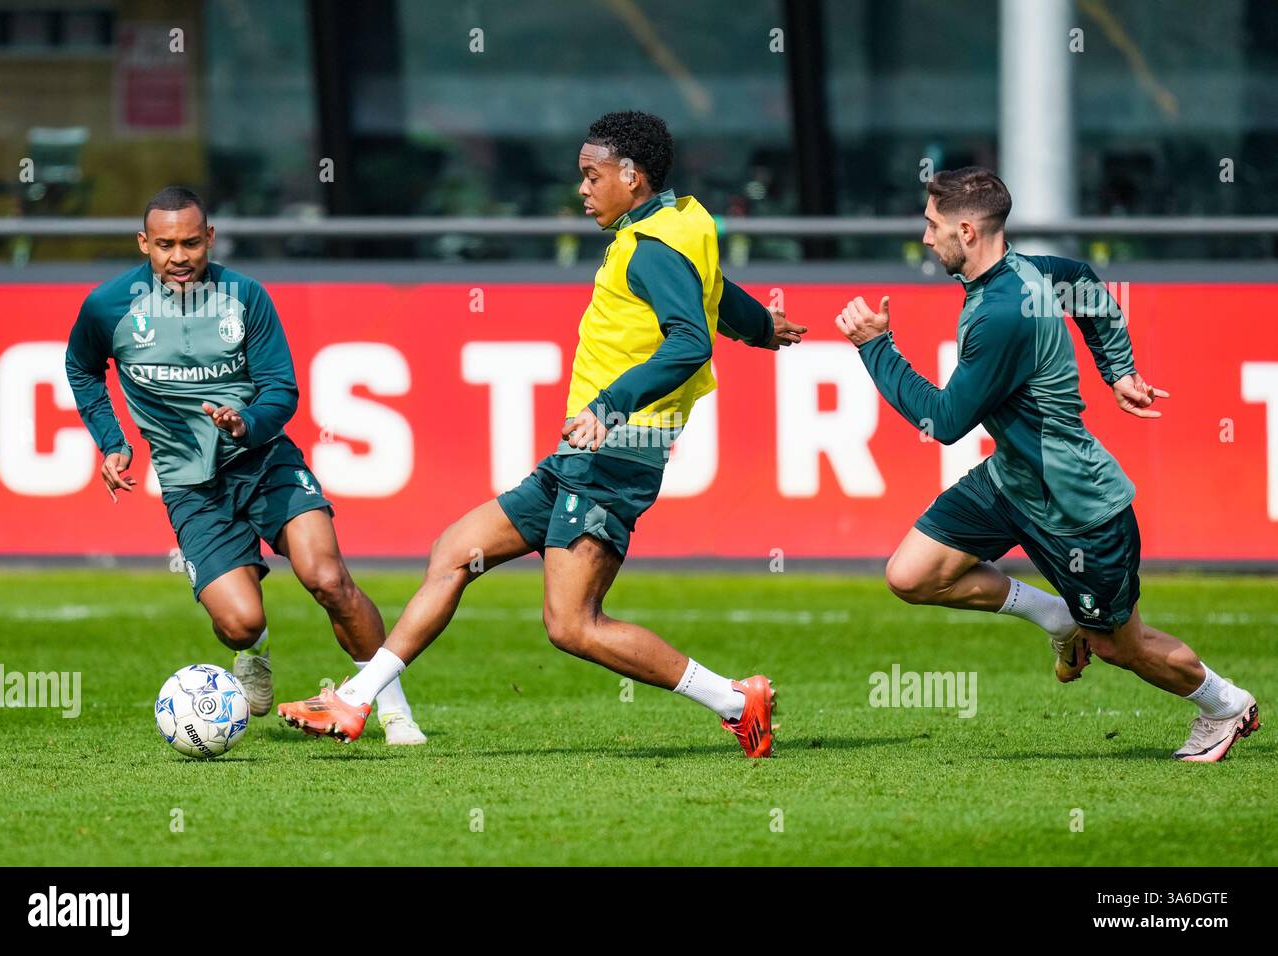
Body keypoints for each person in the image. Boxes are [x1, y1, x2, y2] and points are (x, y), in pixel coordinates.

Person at [278, 111, 807, 757]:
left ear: (632, 176)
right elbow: (711, 291)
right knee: (454, 551)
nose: (582, 190)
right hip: (584, 452)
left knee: (572, 624)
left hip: (617, 449)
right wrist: (759, 327)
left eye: (592, 176)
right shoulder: (682, 219)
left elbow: (690, 341)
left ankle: (733, 699)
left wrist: (609, 405)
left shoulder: (649, 248)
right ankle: (358, 702)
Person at [836, 166, 1258, 762]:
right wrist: (1119, 371)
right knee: (911, 574)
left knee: (1121, 647)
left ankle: (1225, 705)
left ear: (966, 229)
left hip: (1076, 509)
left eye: (932, 226)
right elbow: (1085, 283)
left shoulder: (1000, 314)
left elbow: (946, 420)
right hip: (1013, 482)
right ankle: (1058, 617)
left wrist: (875, 347)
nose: (925, 239)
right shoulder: (1025, 272)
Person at [65, 186, 424, 745]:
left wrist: (247, 423)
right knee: (240, 623)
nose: (178, 257)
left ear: (209, 238)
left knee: (327, 579)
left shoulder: (245, 296)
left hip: (264, 461)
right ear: (144, 243)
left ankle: (391, 708)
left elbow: (283, 387)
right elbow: (82, 369)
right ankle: (253, 653)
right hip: (190, 486)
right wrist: (112, 441)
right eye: (164, 245)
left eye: (190, 242)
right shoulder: (108, 306)